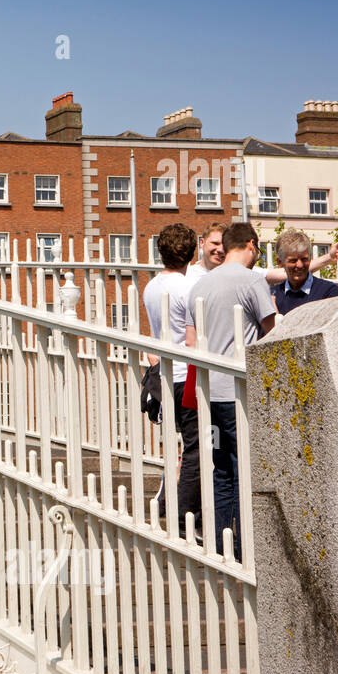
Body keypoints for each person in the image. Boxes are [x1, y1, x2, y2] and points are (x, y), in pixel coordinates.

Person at [185, 222, 276, 559]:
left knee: (220, 468)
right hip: (240, 393)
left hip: (210, 394)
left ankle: (222, 541)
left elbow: (191, 340)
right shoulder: (251, 280)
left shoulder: (202, 283)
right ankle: (244, 546)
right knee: (243, 469)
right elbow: (271, 330)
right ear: (251, 245)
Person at [142, 223, 202, 525]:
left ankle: (173, 504)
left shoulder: (150, 287)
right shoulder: (189, 288)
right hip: (186, 376)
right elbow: (194, 339)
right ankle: (185, 513)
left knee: (176, 442)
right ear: (192, 253)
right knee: (196, 447)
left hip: (164, 376)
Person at [189, 221, 338, 286]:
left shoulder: (244, 272)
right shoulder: (189, 276)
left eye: (223, 245)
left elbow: (285, 272)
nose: (220, 250)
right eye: (214, 244)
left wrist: (328, 258)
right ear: (202, 243)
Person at [271, 228, 338, 315]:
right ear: (280, 262)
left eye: (304, 259)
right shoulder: (272, 296)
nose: (300, 265)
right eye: (293, 261)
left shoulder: (327, 292)